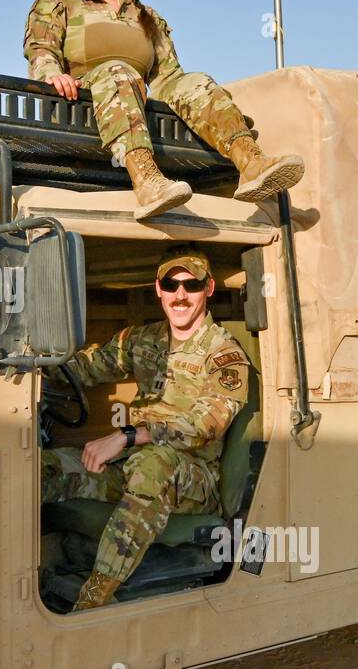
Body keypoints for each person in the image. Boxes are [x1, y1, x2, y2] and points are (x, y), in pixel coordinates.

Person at [23, 0, 305, 220]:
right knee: (120, 71)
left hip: (136, 108)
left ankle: (250, 162)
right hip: (82, 110)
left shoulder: (147, 16)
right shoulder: (56, 4)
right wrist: (52, 75)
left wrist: (195, 92)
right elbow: (40, 54)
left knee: (196, 82)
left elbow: (168, 78)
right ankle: (145, 179)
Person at [41, 251, 250, 610]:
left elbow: (205, 426)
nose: (180, 295)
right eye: (171, 284)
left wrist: (128, 434)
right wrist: (35, 374)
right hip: (131, 466)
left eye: (192, 285)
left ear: (208, 289)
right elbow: (89, 367)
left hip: (192, 478)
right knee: (42, 468)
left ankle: (91, 604)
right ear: (158, 289)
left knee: (154, 465)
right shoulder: (145, 340)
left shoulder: (223, 354)